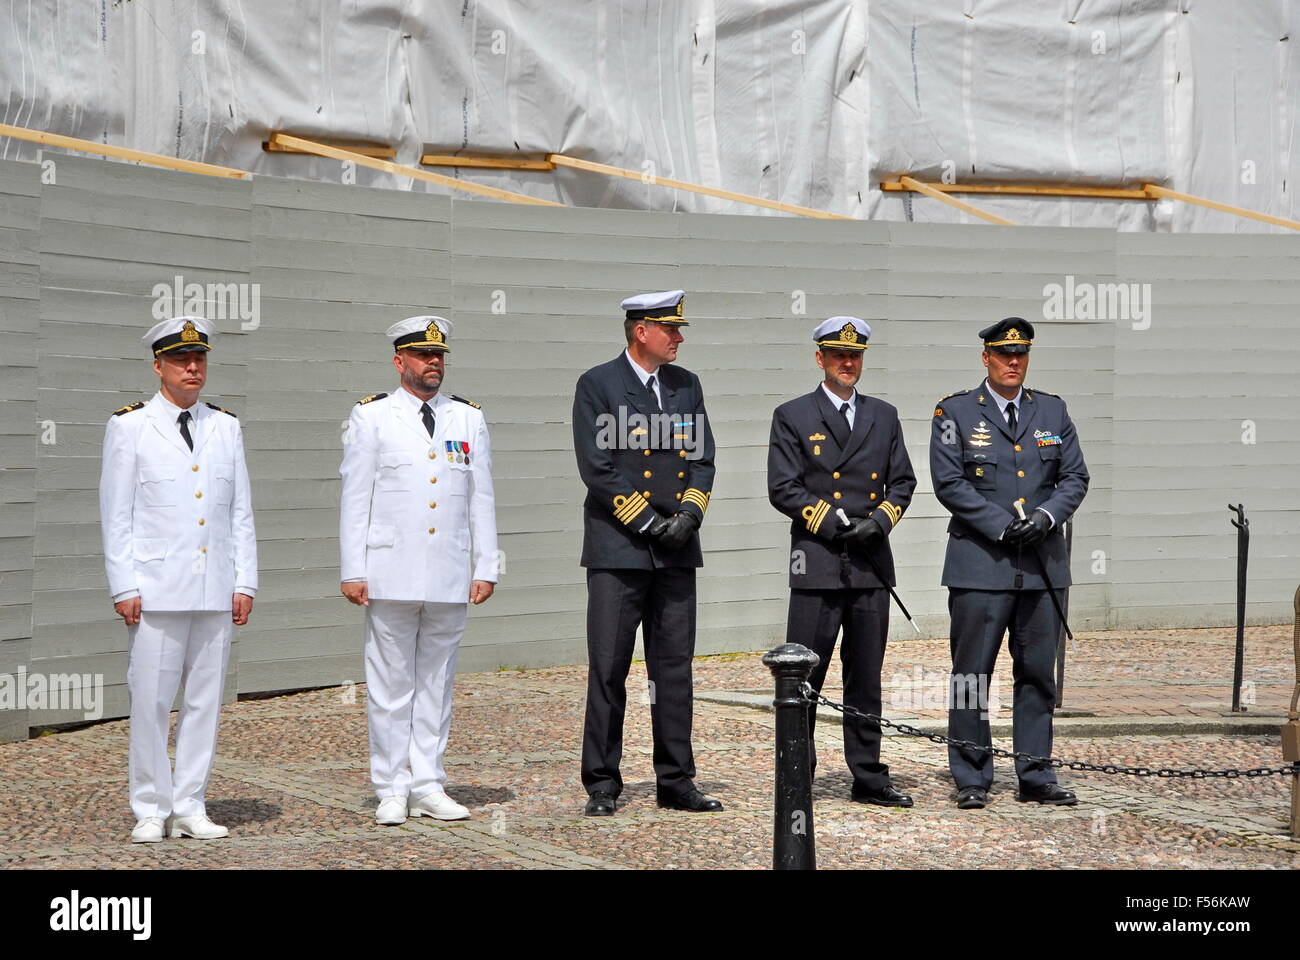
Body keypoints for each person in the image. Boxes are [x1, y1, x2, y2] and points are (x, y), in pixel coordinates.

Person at [99, 315, 257, 843]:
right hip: (157, 588)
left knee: (204, 703)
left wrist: (245, 581)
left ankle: (190, 803)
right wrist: (124, 585)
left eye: (199, 359)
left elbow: (239, 512)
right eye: (181, 360)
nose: (193, 368)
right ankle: (149, 805)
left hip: (214, 587)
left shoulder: (225, 425)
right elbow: (116, 514)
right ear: (158, 366)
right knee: (149, 701)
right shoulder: (130, 426)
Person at [338, 316, 499, 826]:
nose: (434, 363)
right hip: (390, 570)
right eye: (423, 355)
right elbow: (355, 497)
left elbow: (482, 496)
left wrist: (486, 564)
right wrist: (352, 568)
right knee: (390, 684)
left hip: (449, 570)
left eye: (440, 355)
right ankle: (390, 785)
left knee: (437, 682)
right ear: (399, 361)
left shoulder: (467, 418)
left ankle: (427, 781)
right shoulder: (373, 417)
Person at [571, 290, 722, 816]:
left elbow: (702, 459)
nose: (678, 337)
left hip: (677, 551)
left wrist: (689, 515)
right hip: (620, 550)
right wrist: (651, 522)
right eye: (670, 328)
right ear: (641, 331)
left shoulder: (687, 386)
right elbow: (598, 467)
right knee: (610, 668)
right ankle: (602, 783)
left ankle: (676, 780)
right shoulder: (598, 385)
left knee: (674, 670)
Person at [928, 317, 1089, 809]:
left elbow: (1075, 477)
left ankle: (1036, 772)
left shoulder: (1053, 410)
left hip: (1042, 566)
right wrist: (1001, 525)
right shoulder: (954, 411)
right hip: (982, 563)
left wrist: (1044, 517)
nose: (1013, 362)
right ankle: (972, 774)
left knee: (1038, 673)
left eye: (1020, 354)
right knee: (973, 674)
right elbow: (949, 482)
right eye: (1003, 354)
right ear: (986, 359)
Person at [767, 317, 917, 806]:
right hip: (817, 562)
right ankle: (796, 771)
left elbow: (903, 481)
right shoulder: (793, 414)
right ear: (820, 359)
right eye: (838, 356)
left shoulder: (884, 415)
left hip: (870, 565)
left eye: (854, 356)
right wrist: (832, 521)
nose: (847, 364)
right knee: (804, 677)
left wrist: (880, 521)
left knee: (865, 676)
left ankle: (868, 776)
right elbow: (783, 487)